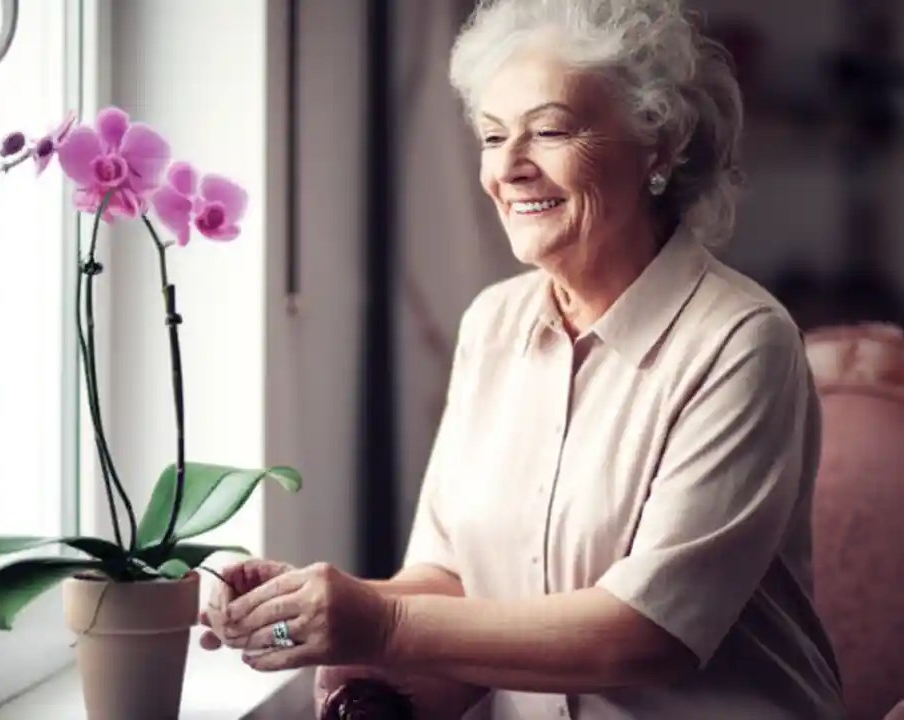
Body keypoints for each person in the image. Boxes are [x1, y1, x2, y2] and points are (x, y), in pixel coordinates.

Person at [200, 0, 846, 717]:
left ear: (659, 146)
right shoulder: (491, 323)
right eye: (492, 135)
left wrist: (379, 622)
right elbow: (452, 578)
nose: (508, 168)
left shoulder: (742, 340)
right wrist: (301, 603)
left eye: (549, 130)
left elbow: (647, 635)